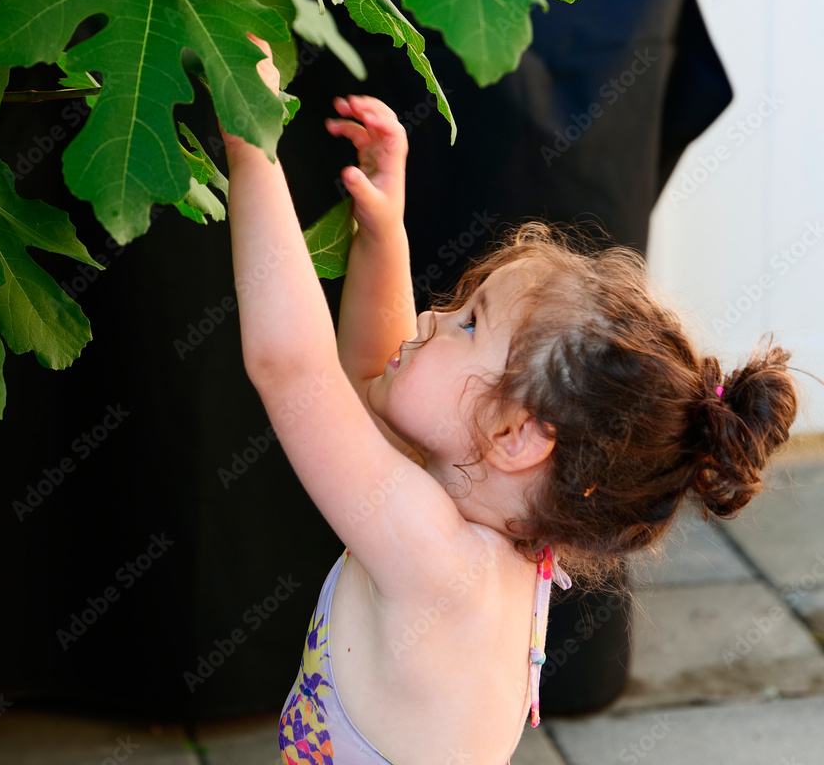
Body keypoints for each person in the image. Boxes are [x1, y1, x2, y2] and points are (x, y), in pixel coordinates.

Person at [222, 38, 798, 765]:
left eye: (467, 323)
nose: (432, 317)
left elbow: (294, 371)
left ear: (518, 435)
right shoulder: (506, 535)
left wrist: (252, 142)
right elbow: (375, 373)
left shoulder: (436, 560)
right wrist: (384, 236)